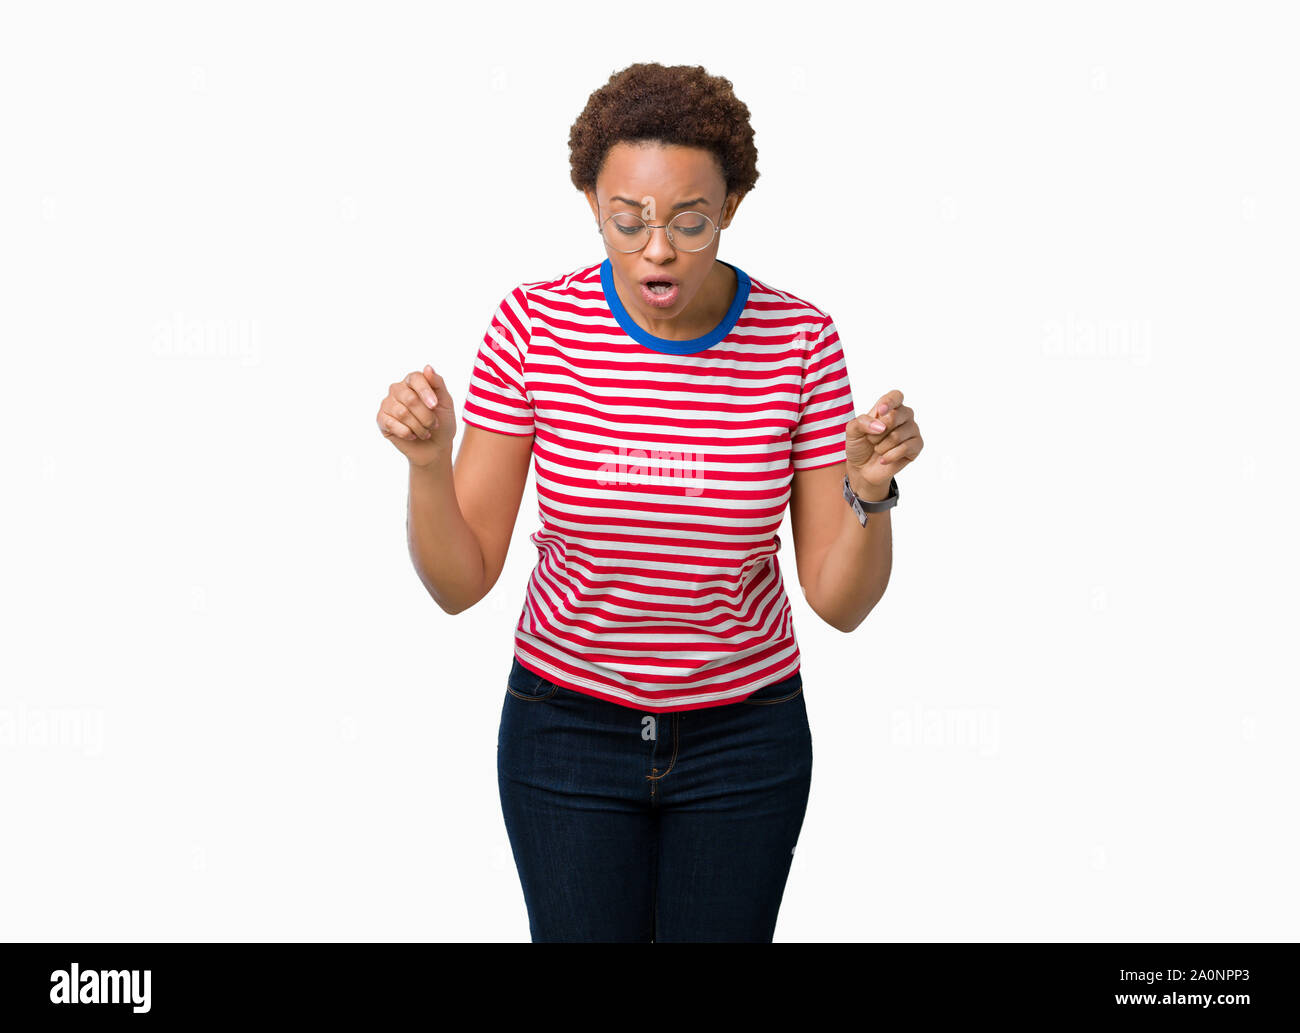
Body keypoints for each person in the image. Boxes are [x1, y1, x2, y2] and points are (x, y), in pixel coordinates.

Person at [375, 62, 924, 942]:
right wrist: (429, 464)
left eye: (689, 220)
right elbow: (459, 580)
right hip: (565, 733)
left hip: (744, 738)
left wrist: (869, 491)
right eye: (625, 221)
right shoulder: (532, 329)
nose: (656, 248)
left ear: (733, 206)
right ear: (591, 201)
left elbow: (841, 602)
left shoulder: (800, 340)